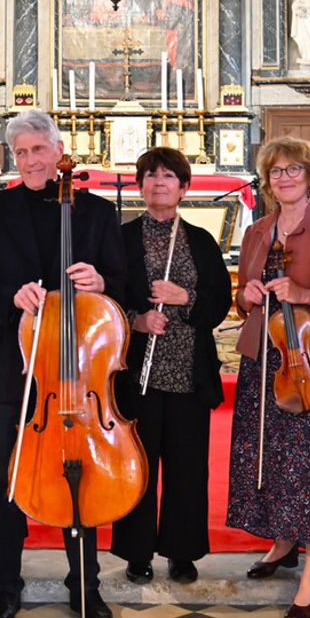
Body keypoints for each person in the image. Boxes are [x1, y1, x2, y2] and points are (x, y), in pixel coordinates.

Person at [0, 109, 127, 618]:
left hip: (78, 375)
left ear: (59, 152)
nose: (32, 160)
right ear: (15, 159)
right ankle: (5, 587)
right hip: (11, 366)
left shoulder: (97, 214)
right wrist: (12, 297)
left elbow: (122, 284)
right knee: (6, 478)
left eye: (40, 149)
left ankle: (86, 587)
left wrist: (100, 281)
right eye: (22, 152)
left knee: (79, 476)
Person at [225, 137, 310, 618]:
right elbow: (241, 298)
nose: (284, 177)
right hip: (264, 358)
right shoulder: (258, 230)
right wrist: (250, 294)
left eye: (294, 169)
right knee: (274, 459)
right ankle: (282, 542)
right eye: (276, 171)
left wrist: (305, 293)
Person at [111, 148, 230, 586]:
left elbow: (220, 302)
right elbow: (102, 300)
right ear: (140, 185)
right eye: (150, 176)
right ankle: (136, 551)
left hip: (187, 372)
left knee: (187, 466)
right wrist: (136, 320)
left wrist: (186, 299)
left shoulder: (200, 240)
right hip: (135, 373)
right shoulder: (120, 238)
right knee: (138, 465)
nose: (159, 183)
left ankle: (182, 552)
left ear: (184, 187)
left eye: (168, 176)